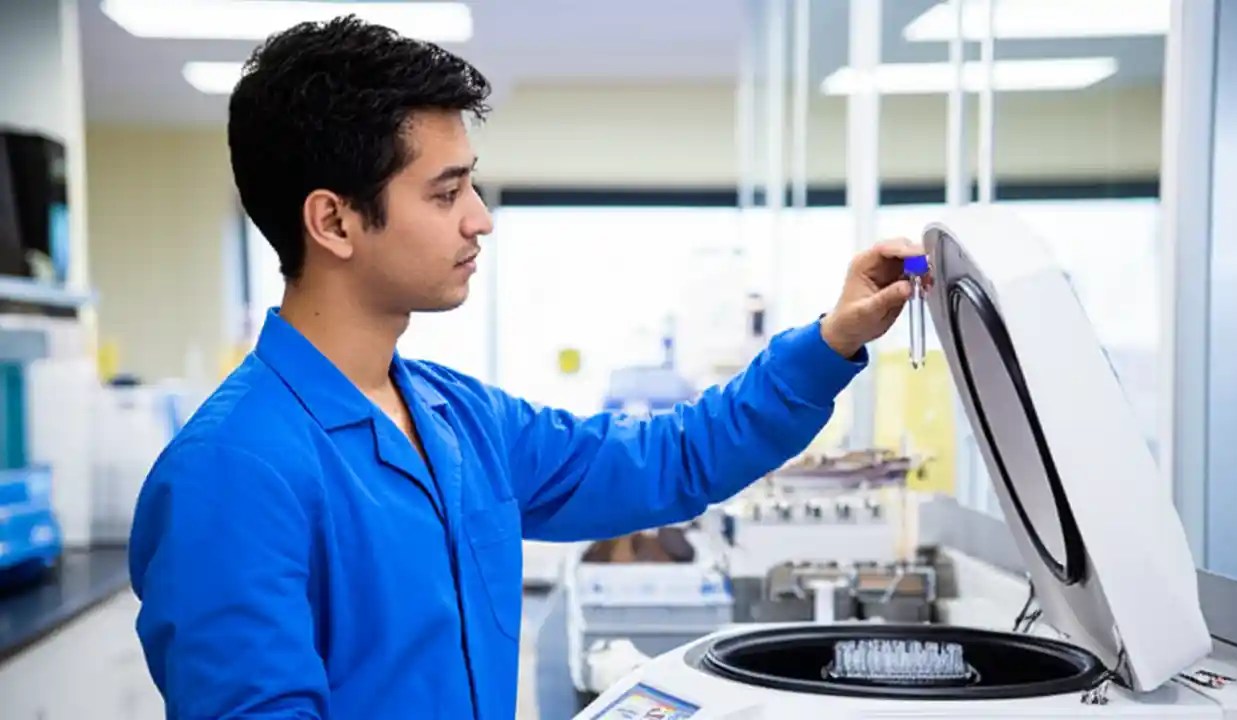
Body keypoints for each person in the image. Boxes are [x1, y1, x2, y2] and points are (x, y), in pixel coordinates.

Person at [127, 15, 928, 720]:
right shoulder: (231, 474)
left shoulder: (457, 418)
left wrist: (830, 343)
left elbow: (672, 459)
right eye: (445, 195)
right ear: (333, 220)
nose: (480, 219)